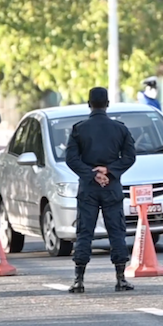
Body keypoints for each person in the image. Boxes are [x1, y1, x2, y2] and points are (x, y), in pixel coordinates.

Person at [65, 87, 137, 293]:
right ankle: (121, 278)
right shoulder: (120, 129)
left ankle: (79, 279)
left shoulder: (79, 129)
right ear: (107, 104)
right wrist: (110, 171)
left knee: (85, 231)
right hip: (112, 187)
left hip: (88, 188)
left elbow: (71, 159)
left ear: (89, 104)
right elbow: (130, 157)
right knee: (116, 231)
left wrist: (91, 174)